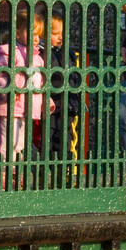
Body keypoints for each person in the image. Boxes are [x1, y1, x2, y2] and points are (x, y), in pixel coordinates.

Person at [0, 11, 55, 165]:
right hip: (10, 105)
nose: (36, 38)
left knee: (19, 142)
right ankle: (3, 172)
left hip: (28, 108)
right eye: (32, 33)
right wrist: (11, 87)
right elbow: (0, 73)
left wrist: (46, 101)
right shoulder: (9, 51)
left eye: (39, 35)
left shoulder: (37, 57)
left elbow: (39, 82)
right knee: (7, 142)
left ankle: (14, 171)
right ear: (17, 31)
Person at [46, 12, 82, 161]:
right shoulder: (44, 53)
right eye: (55, 34)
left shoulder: (68, 53)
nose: (60, 37)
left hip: (67, 102)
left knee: (65, 135)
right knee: (49, 134)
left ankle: (63, 166)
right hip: (53, 102)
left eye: (62, 33)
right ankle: (46, 166)